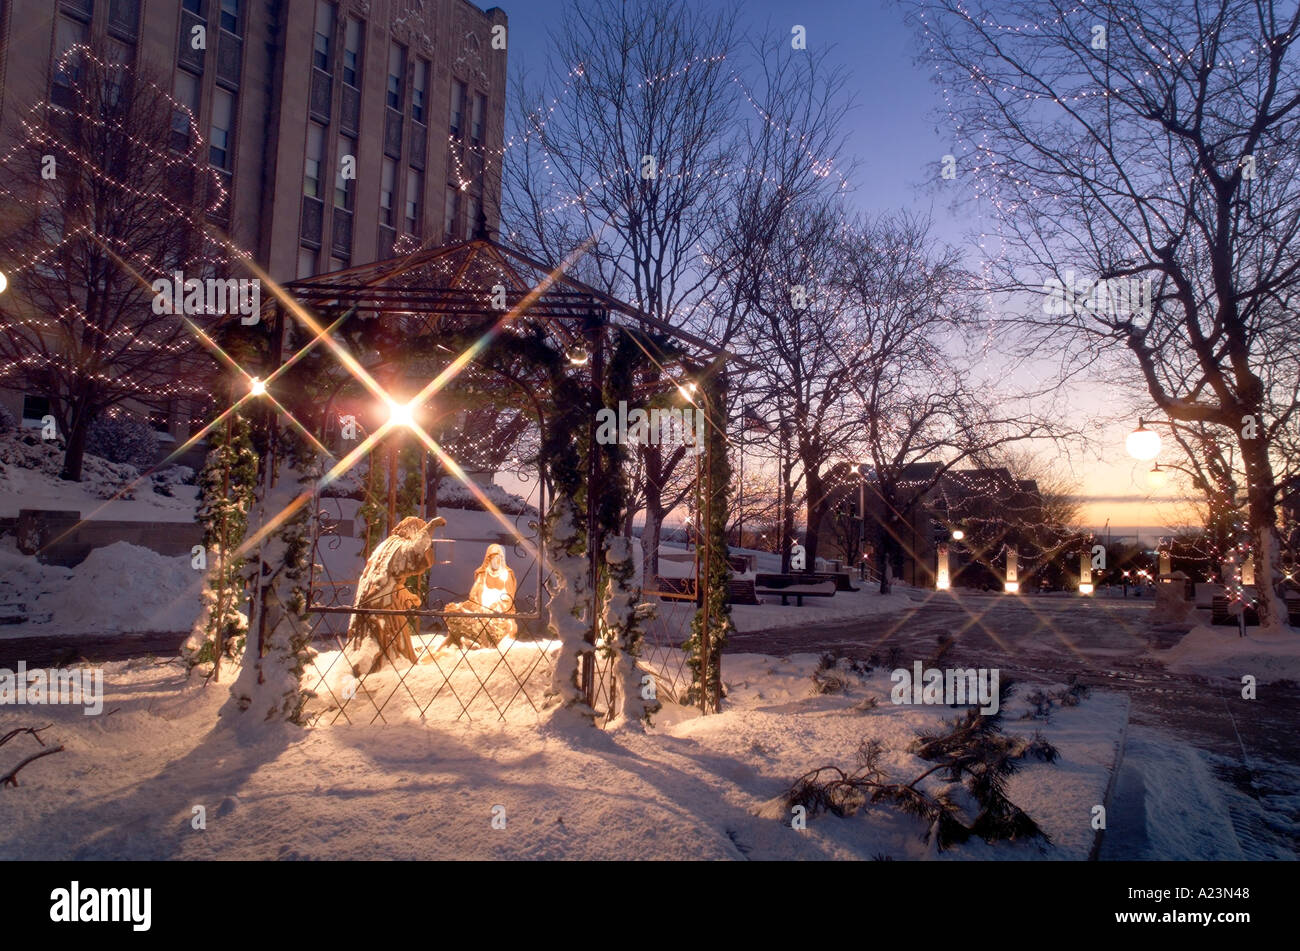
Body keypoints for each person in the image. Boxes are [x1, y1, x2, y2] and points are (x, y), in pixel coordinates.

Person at [444, 544, 518, 647]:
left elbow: (509, 600)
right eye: (492, 558)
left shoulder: (507, 574)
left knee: (483, 622)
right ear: (488, 559)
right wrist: (469, 607)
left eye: (498, 557)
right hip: (480, 611)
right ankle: (458, 639)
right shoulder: (482, 575)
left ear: (502, 558)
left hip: (499, 616)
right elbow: (473, 597)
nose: (496, 561)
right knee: (453, 612)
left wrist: (496, 606)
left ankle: (480, 642)